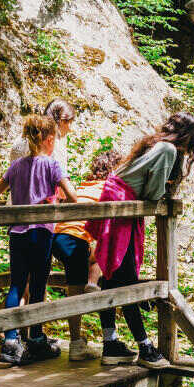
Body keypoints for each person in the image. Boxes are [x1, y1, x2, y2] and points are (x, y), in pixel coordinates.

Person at [85, 113, 194, 369]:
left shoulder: (156, 144)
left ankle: (111, 343)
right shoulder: (168, 149)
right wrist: (165, 188)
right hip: (122, 207)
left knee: (113, 277)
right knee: (125, 279)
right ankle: (145, 347)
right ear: (190, 137)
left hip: (116, 201)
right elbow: (152, 192)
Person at [0, 114, 79, 367]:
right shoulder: (52, 165)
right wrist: (56, 199)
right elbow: (73, 198)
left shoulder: (16, 166)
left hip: (17, 233)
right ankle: (36, 338)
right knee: (38, 286)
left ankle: (11, 341)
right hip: (42, 233)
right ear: (50, 140)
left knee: (16, 285)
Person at [51, 148, 125, 362]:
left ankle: (77, 341)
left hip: (58, 237)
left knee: (77, 282)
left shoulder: (84, 185)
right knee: (75, 293)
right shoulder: (108, 187)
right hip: (75, 239)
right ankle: (76, 347)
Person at [10, 98, 75, 176]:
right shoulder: (54, 143)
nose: (70, 129)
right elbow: (60, 182)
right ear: (62, 121)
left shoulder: (21, 138)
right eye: (70, 123)